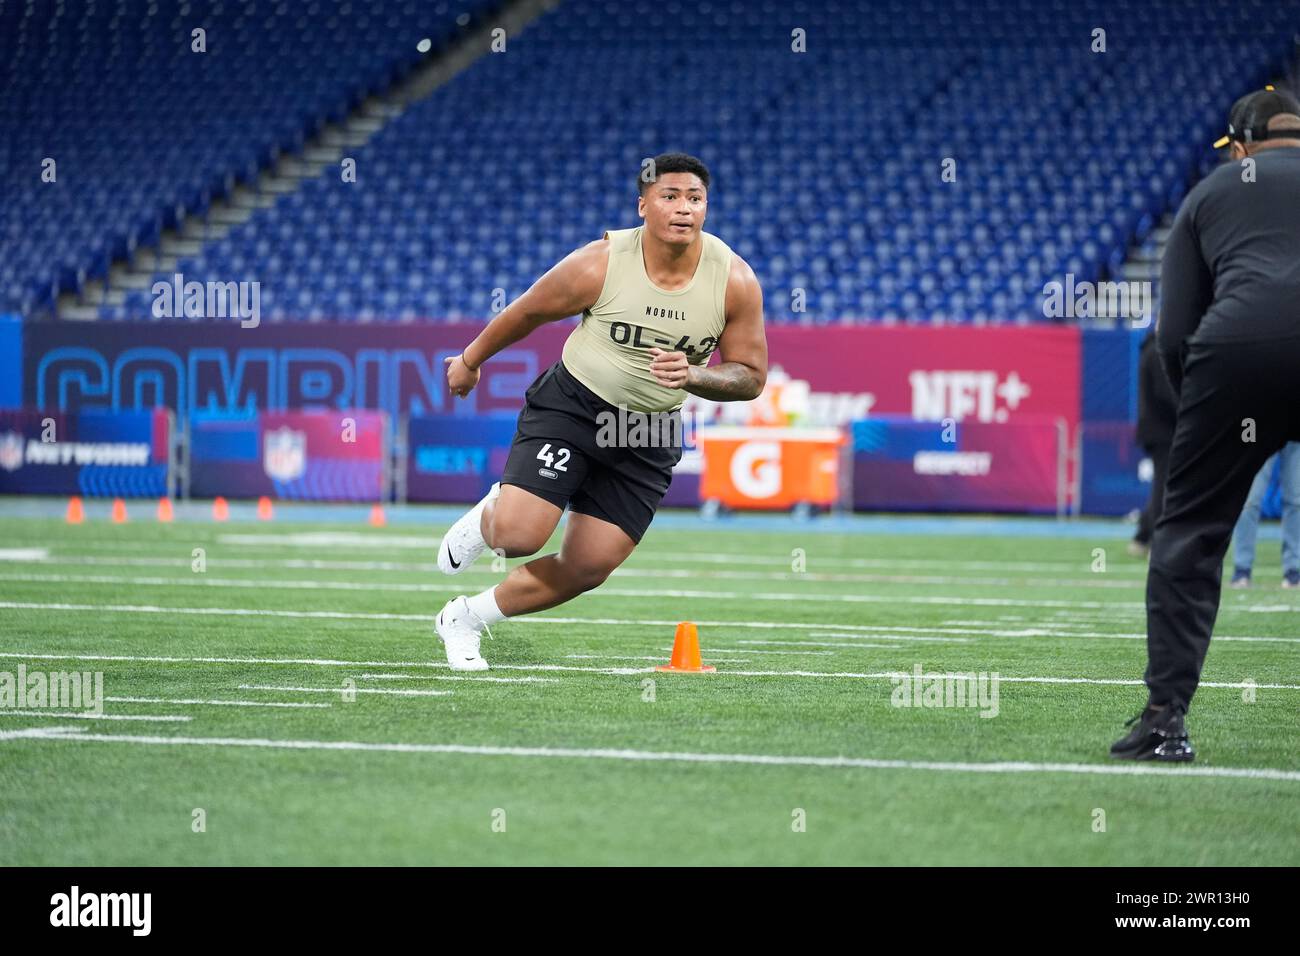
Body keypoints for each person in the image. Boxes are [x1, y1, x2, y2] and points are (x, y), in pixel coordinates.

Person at [433, 153, 767, 670]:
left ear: (707, 209)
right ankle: (490, 517)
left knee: (588, 566)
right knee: (518, 536)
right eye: (670, 197)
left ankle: (465, 619)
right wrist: (470, 361)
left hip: (647, 429)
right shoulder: (602, 261)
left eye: (694, 199)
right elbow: (528, 311)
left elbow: (750, 376)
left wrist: (696, 375)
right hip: (574, 406)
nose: (683, 209)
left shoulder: (735, 281)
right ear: (643, 206)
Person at [1111, 87, 1300, 761]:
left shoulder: (1213, 191)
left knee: (1190, 534)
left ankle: (1165, 721)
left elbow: (1176, 328)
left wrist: (1202, 407)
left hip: (1236, 354)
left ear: (1243, 145)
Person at [1129, 330, 1178, 557]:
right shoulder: (1157, 351)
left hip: (1157, 428)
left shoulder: (1149, 348)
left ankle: (1143, 535)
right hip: (1163, 430)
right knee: (1163, 486)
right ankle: (1157, 540)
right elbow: (1165, 392)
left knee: (1163, 484)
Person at [1227, 443, 1300, 588]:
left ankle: (1293, 572)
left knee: (1295, 501)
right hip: (1259, 426)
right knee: (1248, 500)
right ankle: (1241, 571)